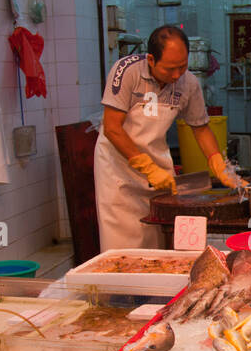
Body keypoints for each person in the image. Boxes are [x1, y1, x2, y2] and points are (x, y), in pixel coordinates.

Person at [95, 25, 243, 251]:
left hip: (160, 170)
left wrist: (217, 162)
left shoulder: (189, 83)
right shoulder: (127, 71)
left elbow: (200, 128)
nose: (176, 75)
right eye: (170, 69)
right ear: (151, 60)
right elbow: (112, 128)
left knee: (162, 239)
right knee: (123, 244)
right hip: (118, 172)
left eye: (182, 67)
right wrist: (145, 166)